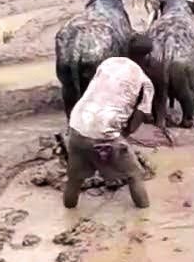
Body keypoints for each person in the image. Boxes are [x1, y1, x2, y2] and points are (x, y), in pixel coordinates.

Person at [62, 34, 156, 209]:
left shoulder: (108, 63)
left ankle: (69, 212)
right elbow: (140, 116)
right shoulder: (145, 83)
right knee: (134, 174)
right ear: (149, 57)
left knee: (74, 178)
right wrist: (122, 136)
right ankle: (144, 218)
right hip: (104, 134)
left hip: (77, 125)